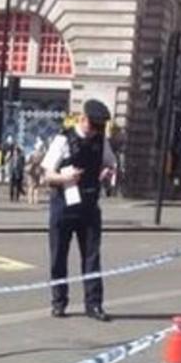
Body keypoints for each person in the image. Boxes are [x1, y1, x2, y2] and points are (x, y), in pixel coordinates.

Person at [41, 100, 118, 322]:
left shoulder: (101, 142)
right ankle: (59, 302)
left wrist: (106, 172)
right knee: (58, 257)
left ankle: (94, 304)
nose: (95, 131)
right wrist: (65, 177)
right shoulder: (63, 139)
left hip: (89, 206)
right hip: (63, 205)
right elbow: (47, 175)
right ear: (82, 119)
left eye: (99, 127)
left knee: (92, 258)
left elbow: (111, 164)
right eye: (93, 126)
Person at [26, 136, 47, 205]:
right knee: (36, 187)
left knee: (30, 186)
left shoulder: (32, 153)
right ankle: (36, 199)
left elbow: (28, 161)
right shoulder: (42, 155)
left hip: (31, 171)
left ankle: (30, 200)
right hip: (38, 171)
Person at [5, 137, 25, 202]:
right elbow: (6, 161)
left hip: (18, 173)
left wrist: (22, 172)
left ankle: (17, 198)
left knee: (17, 186)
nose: (15, 152)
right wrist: (7, 157)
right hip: (12, 172)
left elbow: (23, 165)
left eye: (16, 151)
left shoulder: (21, 157)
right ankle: (11, 197)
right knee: (11, 186)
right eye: (14, 151)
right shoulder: (11, 157)